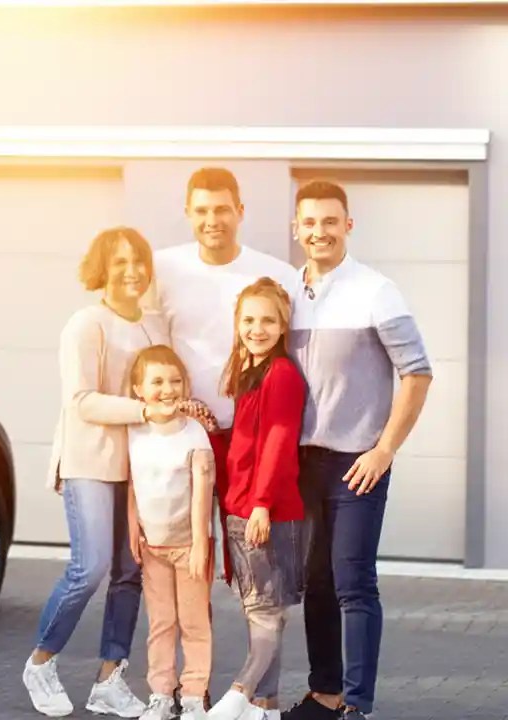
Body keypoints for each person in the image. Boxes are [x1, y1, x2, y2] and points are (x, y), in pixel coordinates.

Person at [282, 180, 433, 720]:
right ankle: (324, 693)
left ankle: (358, 704)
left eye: (330, 221)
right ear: (295, 228)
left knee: (352, 582)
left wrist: (384, 449)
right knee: (315, 581)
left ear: (348, 225)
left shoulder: (377, 291)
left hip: (356, 464)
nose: (318, 231)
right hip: (303, 463)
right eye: (309, 222)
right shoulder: (287, 290)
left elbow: (417, 374)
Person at [23, 226, 175, 719]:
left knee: (129, 573)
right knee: (88, 568)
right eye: (119, 262)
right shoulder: (87, 323)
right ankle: (41, 663)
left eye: (138, 261)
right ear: (101, 270)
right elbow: (82, 400)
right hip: (89, 460)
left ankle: (110, 679)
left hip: (137, 467)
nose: (131, 270)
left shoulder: (155, 327)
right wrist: (144, 410)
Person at [153, 168, 302, 581]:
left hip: (247, 441)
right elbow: (149, 346)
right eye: (201, 210)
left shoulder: (275, 276)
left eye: (222, 209)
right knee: (188, 559)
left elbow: (295, 355)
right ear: (188, 213)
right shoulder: (164, 269)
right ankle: (198, 645)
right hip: (184, 434)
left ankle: (259, 642)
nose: (212, 220)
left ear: (240, 211)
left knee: (249, 563)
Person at [207, 278, 307, 720]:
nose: (257, 328)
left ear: (283, 324)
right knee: (257, 610)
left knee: (266, 610)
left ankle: (238, 696)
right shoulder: (249, 374)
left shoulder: (282, 374)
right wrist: (210, 432)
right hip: (240, 506)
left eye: (268, 319)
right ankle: (265, 706)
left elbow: (279, 441)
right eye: (249, 319)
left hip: (267, 510)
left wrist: (262, 503)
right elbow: (244, 445)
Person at [125, 344, 215, 720]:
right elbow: (133, 484)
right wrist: (133, 528)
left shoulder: (193, 433)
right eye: (157, 381)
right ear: (138, 390)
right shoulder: (135, 432)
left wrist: (198, 544)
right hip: (153, 546)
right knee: (160, 624)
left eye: (175, 380)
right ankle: (161, 694)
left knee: (194, 624)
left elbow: (202, 490)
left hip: (188, 545)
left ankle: (193, 695)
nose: (167, 388)